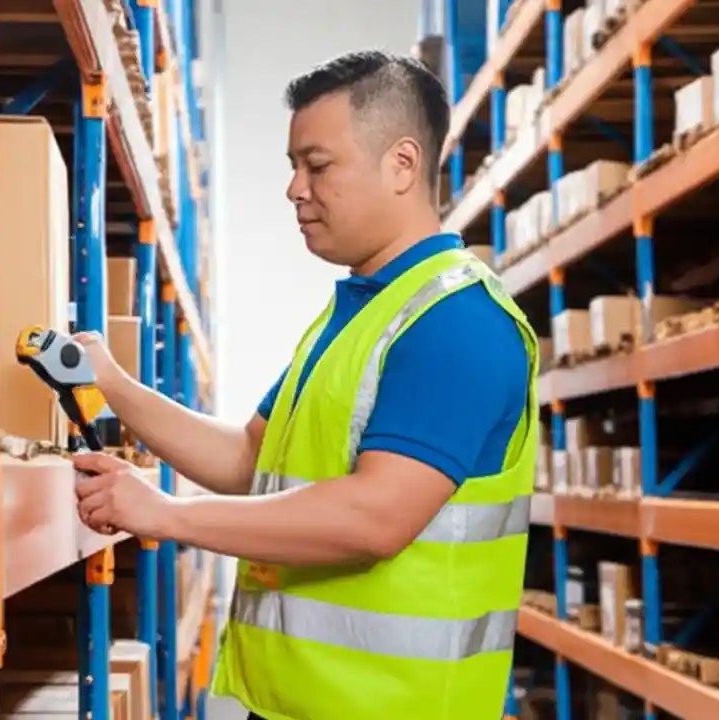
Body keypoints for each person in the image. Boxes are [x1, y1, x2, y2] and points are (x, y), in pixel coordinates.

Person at [71, 49, 537, 720]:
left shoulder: (458, 323)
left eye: (317, 166)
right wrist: (112, 385)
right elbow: (248, 459)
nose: (295, 188)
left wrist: (166, 514)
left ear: (402, 164)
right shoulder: (357, 315)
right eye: (293, 166)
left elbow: (375, 518)